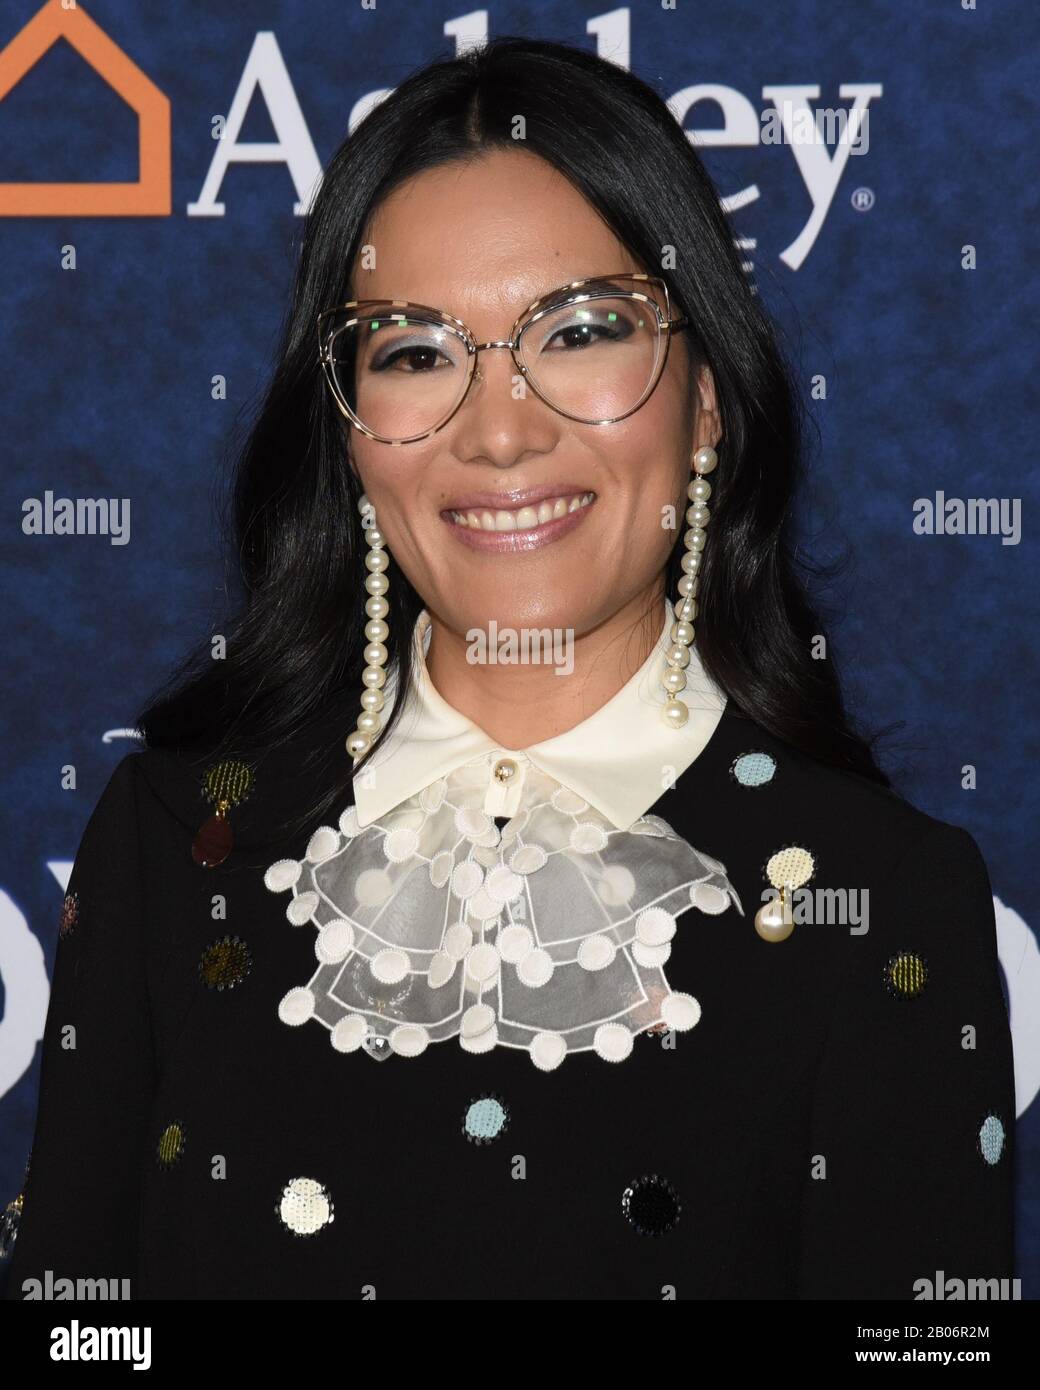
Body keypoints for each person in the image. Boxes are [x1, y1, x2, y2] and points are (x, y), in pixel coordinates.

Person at [3, 35, 1014, 1300]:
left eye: (580, 330)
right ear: (351, 435)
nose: (497, 430)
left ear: (703, 396)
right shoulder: (172, 846)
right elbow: (73, 1331)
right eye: (415, 351)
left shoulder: (877, 902)